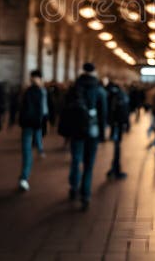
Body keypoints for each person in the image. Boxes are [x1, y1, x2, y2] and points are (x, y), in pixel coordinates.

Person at [58, 62, 107, 210]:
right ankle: (85, 195)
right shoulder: (99, 90)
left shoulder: (74, 88)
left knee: (76, 159)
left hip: (76, 129)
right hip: (92, 130)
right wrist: (103, 134)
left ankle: (73, 187)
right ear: (94, 72)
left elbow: (64, 109)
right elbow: (103, 114)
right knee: (89, 164)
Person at [18, 70, 48, 191]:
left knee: (28, 150)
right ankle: (24, 177)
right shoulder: (36, 91)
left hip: (31, 123)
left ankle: (24, 177)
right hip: (32, 123)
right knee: (27, 151)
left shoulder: (32, 91)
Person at [105, 78, 129, 180]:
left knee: (117, 148)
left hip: (113, 124)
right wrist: (126, 124)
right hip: (117, 125)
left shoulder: (109, 93)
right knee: (117, 148)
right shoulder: (120, 95)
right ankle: (116, 169)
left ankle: (114, 168)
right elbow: (124, 111)